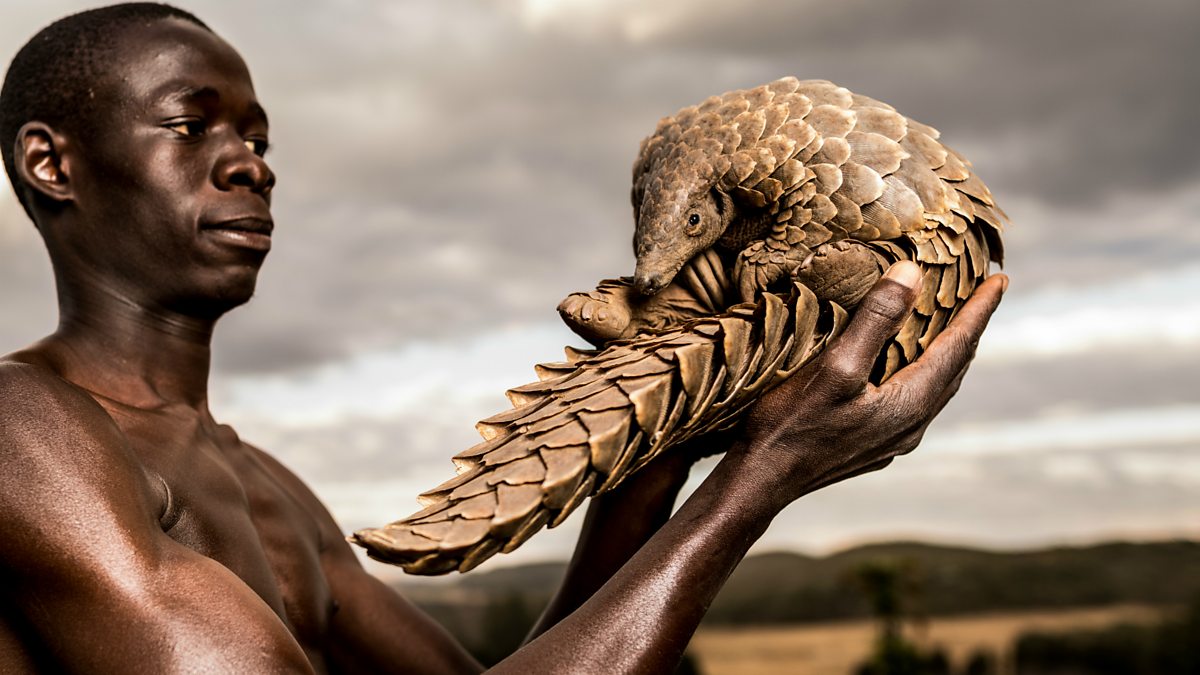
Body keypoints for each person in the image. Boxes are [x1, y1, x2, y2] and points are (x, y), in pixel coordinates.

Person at [0, 4, 1006, 673]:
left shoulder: (266, 484)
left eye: (258, 139)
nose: (251, 167)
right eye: (193, 126)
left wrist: (662, 445)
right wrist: (764, 478)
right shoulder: (23, 435)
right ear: (52, 164)